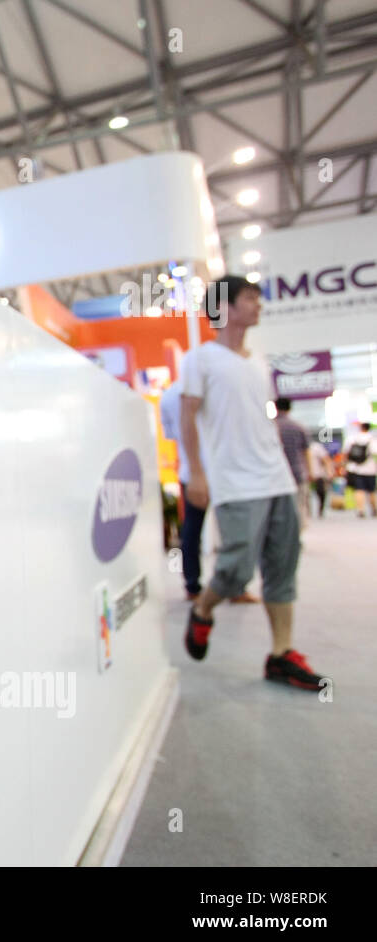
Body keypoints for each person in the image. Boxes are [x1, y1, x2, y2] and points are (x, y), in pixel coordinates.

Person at [179, 276, 327, 690]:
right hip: (234, 481)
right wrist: (197, 473)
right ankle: (204, 610)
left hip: (276, 477)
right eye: (250, 299)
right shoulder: (200, 359)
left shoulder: (257, 361)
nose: (258, 306)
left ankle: (281, 654)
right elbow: (189, 417)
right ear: (225, 307)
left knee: (283, 565)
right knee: (235, 570)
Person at [160, 377, 259, 603]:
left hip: (197, 472)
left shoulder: (169, 396)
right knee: (231, 531)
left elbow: (172, 435)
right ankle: (233, 586)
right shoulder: (211, 389)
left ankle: (194, 586)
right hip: (218, 471)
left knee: (194, 531)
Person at [273, 398, 310, 529]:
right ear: (290, 408)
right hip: (297, 473)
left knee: (276, 510)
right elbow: (306, 452)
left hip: (275, 474)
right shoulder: (298, 427)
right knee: (298, 506)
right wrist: (309, 472)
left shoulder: (271, 426)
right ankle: (296, 537)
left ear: (275, 407)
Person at [342, 422, 376, 517]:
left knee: (359, 489)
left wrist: (344, 466)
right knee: (372, 490)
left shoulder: (352, 438)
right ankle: (374, 509)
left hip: (355, 468)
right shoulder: (372, 439)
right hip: (370, 469)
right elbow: (375, 452)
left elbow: (345, 453)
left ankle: (361, 509)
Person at [307, 438, 333, 518]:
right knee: (305, 494)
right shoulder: (299, 446)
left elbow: (325, 459)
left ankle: (321, 509)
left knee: (321, 492)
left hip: (318, 474)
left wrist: (329, 471)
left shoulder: (316, 447)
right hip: (304, 475)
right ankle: (307, 512)